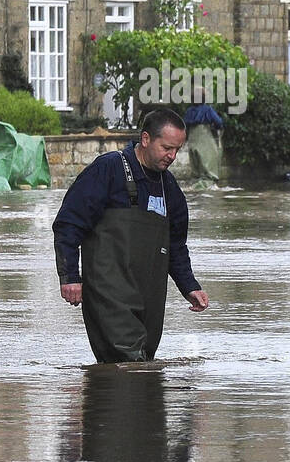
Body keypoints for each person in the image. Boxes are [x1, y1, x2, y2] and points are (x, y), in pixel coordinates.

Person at [52, 107, 209, 363]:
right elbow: (68, 224)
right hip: (108, 294)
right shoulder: (108, 169)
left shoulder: (169, 188)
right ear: (146, 139)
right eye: (167, 148)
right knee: (128, 363)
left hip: (150, 299)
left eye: (177, 150)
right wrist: (70, 277)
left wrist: (189, 286)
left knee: (143, 365)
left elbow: (176, 246)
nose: (172, 156)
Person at [183, 101, 224, 183]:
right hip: (205, 138)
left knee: (195, 167)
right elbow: (218, 122)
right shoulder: (208, 109)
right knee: (208, 165)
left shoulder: (189, 111)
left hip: (192, 139)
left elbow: (184, 124)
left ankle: (196, 185)